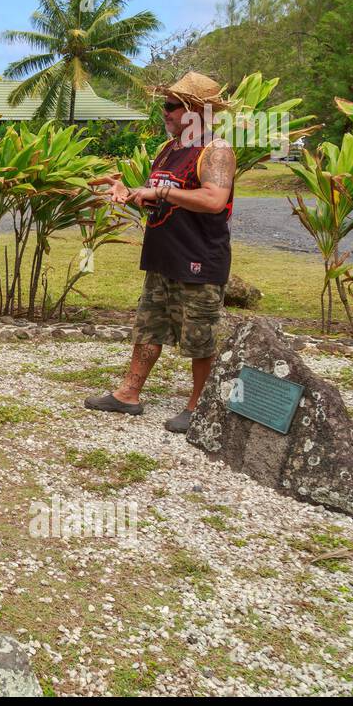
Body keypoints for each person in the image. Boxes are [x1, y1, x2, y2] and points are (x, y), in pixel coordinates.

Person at [85, 71, 236, 434]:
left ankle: (198, 406)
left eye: (171, 106)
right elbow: (161, 199)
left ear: (195, 110)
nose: (164, 113)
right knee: (148, 326)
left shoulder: (215, 151)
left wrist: (161, 194)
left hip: (198, 259)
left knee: (199, 336)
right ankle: (129, 393)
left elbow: (214, 200)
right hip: (163, 255)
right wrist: (130, 193)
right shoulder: (169, 150)